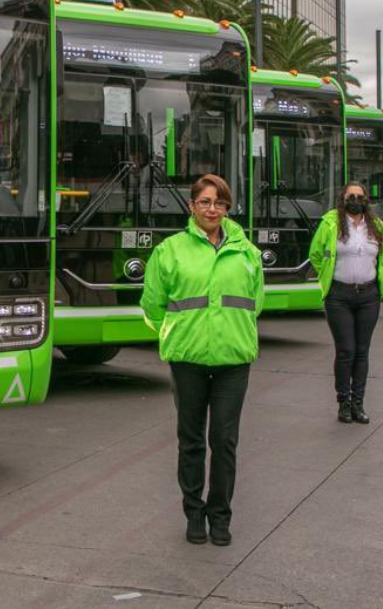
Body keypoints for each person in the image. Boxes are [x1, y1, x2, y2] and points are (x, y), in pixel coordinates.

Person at [142, 174, 264, 547]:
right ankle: (194, 513)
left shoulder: (247, 252)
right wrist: (175, 333)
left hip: (233, 360)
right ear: (191, 206)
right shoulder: (170, 251)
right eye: (205, 202)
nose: (213, 209)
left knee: (224, 441)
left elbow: (256, 302)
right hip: (188, 359)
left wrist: (234, 331)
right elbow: (152, 304)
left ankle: (220, 515)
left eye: (220, 203)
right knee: (191, 441)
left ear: (228, 208)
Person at [308, 182, 383, 425]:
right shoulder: (330, 224)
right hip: (338, 296)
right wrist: (327, 277)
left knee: (362, 352)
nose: (355, 200)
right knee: (346, 351)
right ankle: (343, 402)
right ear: (342, 199)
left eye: (359, 196)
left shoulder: (376, 226)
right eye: (350, 196)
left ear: (366, 200)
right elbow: (315, 254)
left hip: (369, 296)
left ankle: (358, 403)